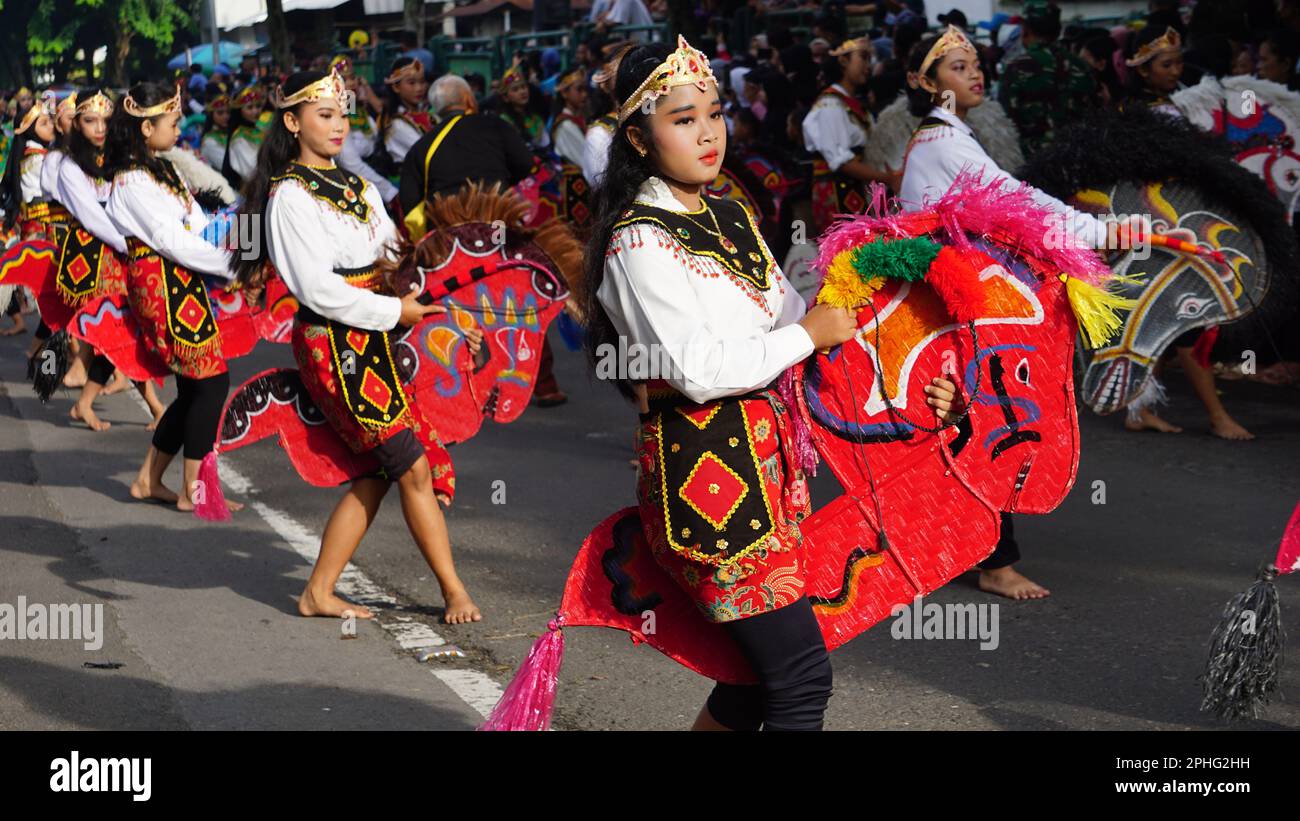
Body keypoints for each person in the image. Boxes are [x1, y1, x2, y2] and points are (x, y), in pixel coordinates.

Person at [583, 37, 963, 729]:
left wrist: (920, 374)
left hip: (765, 472)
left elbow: (802, 320)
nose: (708, 133)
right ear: (638, 138)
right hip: (707, 486)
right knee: (799, 679)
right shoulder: (638, 240)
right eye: (683, 119)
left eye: (714, 113)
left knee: (756, 679)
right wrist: (807, 334)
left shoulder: (728, 212)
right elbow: (697, 370)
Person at [900, 25, 1148, 599]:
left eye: (975, 63)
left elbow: (1010, 202)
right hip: (956, 309)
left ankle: (962, 549)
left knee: (966, 424)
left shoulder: (945, 135)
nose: (976, 72)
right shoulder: (943, 142)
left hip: (953, 304)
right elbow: (1017, 203)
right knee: (986, 420)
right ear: (926, 82)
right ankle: (993, 561)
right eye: (958, 66)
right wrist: (1101, 229)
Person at [230, 67, 482, 624]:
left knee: (376, 472)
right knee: (409, 465)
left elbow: (394, 260)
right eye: (325, 115)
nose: (340, 125)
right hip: (333, 346)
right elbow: (316, 289)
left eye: (343, 113)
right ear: (293, 123)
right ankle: (453, 590)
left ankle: (318, 590)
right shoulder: (289, 197)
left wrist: (445, 311)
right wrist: (395, 311)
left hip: (375, 332)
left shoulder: (359, 186)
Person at [104, 82, 242, 513]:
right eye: (173, 121)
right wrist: (231, 264)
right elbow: (172, 240)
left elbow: (199, 224)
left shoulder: (163, 169)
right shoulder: (130, 180)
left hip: (180, 279)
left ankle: (149, 479)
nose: (180, 127)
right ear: (146, 127)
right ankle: (193, 491)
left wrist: (243, 248)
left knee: (193, 388)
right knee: (211, 382)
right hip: (161, 282)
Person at [803, 38, 900, 235]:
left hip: (853, 187)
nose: (868, 65)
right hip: (838, 191)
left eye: (869, 58)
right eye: (862, 58)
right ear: (844, 62)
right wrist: (887, 178)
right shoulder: (830, 104)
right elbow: (840, 161)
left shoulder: (849, 103)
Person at [398, 74, 533, 216]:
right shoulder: (495, 125)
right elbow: (525, 163)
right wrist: (501, 183)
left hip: (447, 228)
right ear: (469, 98)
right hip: (496, 218)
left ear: (436, 108)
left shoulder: (421, 147)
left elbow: (409, 201)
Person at [998, 1, 1097, 158]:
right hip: (1081, 156)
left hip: (1033, 161)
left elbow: (1005, 118)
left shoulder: (1016, 68)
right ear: (1058, 30)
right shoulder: (1080, 65)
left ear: (1025, 30)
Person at [0, 93, 54, 337]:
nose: (51, 126)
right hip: (42, 226)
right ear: (31, 131)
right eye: (44, 123)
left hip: (36, 224)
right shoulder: (37, 159)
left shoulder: (34, 155)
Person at [332, 55, 398, 208]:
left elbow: (381, 114)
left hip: (375, 180)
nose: (352, 83)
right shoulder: (337, 119)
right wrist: (390, 193)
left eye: (353, 78)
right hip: (356, 190)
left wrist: (367, 90)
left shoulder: (358, 111)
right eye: (344, 79)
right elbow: (352, 165)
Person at [379, 57, 431, 166]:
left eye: (422, 82)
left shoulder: (426, 112)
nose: (419, 88)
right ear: (396, 87)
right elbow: (429, 153)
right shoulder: (397, 124)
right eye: (412, 83)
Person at [221, 84, 266, 185]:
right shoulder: (239, 139)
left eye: (258, 106)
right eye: (249, 107)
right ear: (240, 111)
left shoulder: (260, 130)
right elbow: (251, 171)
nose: (255, 111)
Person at [199, 92, 230, 171]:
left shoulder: (230, 133)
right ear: (211, 115)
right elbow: (227, 167)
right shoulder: (210, 141)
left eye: (228, 112)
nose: (225, 116)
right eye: (220, 113)